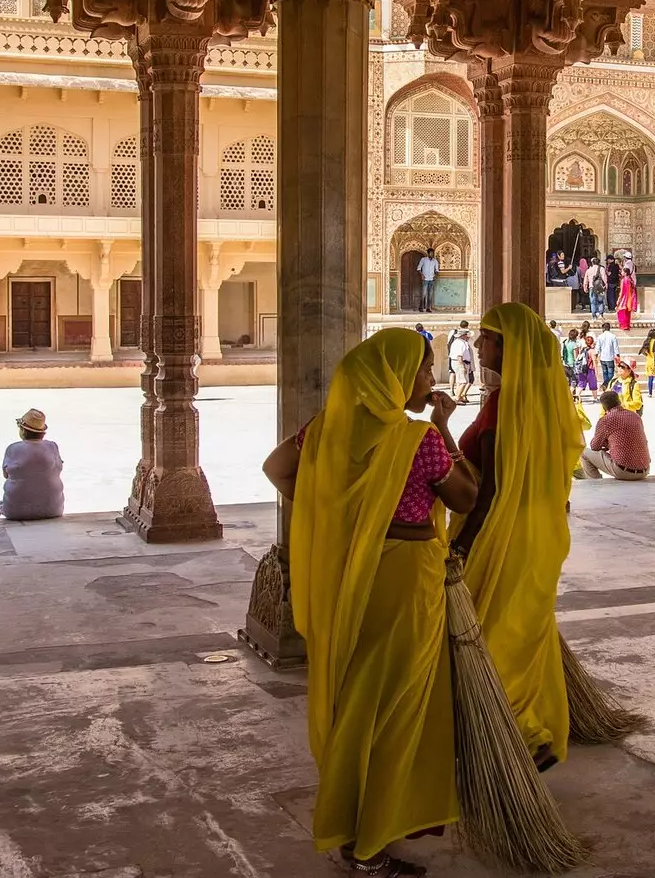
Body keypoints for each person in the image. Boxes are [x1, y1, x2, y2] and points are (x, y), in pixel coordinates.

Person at [261, 328, 478, 877]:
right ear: (396, 378)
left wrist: (341, 512)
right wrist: (444, 428)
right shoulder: (418, 441)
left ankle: (348, 822)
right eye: (424, 370)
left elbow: (277, 469)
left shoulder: (328, 430)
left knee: (357, 695)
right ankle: (368, 840)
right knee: (395, 704)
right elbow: (465, 497)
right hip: (405, 578)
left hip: (352, 574)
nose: (430, 381)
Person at [452, 302, 582, 773]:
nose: (481, 345)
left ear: (509, 347)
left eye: (488, 338)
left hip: (502, 533)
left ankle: (521, 735)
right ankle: (529, 728)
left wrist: (462, 542)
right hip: (540, 533)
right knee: (525, 629)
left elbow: (490, 487)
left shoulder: (505, 405)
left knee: (493, 634)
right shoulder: (546, 400)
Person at [0, 409, 64, 521]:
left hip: (16, 512)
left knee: (3, 502)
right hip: (53, 509)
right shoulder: (52, 446)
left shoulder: (13, 448)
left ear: (23, 430)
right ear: (42, 432)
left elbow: (6, 475)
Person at [580, 391, 650, 481]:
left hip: (624, 472)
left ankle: (595, 483)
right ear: (619, 401)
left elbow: (594, 446)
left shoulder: (605, 420)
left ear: (603, 407)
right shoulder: (635, 416)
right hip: (645, 470)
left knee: (584, 453)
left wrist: (607, 443)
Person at [448, 328, 474, 405]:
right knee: (463, 382)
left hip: (458, 363)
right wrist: (463, 366)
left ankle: (458, 396)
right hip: (460, 363)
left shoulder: (458, 342)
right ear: (464, 335)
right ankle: (457, 399)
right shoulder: (461, 343)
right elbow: (459, 356)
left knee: (459, 382)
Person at [638, 328, 655, 397]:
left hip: (649, 361)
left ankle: (650, 393)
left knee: (650, 378)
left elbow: (643, 351)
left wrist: (648, 355)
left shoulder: (646, 341)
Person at [596, 322, 620, 388]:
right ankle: (607, 384)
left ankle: (605, 384)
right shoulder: (613, 336)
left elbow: (597, 347)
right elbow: (616, 347)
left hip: (603, 357)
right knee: (610, 373)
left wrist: (596, 354)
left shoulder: (600, 336)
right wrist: (617, 355)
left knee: (605, 372)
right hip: (610, 357)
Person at [578, 335, 601, 402]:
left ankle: (577, 395)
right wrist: (596, 371)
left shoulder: (583, 349)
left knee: (581, 384)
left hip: (582, 369)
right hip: (590, 369)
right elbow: (594, 361)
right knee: (593, 384)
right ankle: (595, 398)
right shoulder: (592, 351)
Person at [417, 247, 439, 313]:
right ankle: (421, 307)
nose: (432, 254)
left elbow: (437, 270)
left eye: (432, 253)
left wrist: (435, 276)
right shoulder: (423, 260)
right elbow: (418, 268)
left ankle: (428, 308)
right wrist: (422, 275)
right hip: (425, 279)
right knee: (424, 294)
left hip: (431, 279)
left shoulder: (435, 261)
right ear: (428, 253)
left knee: (430, 294)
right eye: (431, 253)